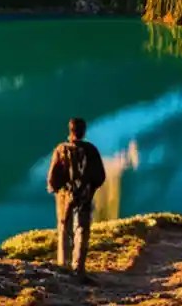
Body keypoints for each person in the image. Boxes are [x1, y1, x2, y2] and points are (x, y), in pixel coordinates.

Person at [47, 117, 106, 278]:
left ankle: (63, 265)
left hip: (64, 198)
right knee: (81, 229)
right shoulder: (91, 150)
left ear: (70, 130)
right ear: (83, 131)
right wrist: (89, 188)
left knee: (64, 229)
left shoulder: (61, 149)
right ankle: (78, 267)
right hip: (84, 197)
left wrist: (60, 190)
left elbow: (53, 178)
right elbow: (100, 176)